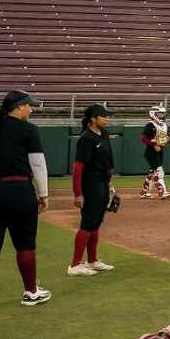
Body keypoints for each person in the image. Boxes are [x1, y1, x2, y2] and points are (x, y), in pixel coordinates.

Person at [0, 91, 52, 313]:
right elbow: (37, 164)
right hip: (18, 191)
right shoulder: (29, 130)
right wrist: (43, 194)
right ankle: (31, 292)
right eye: (29, 106)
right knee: (25, 243)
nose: (31, 110)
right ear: (18, 106)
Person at [69, 104, 118, 276]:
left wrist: (110, 184)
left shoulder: (103, 134)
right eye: (104, 116)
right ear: (93, 119)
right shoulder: (86, 138)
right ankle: (74, 264)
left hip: (102, 183)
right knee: (88, 223)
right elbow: (77, 168)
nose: (107, 118)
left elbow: (108, 161)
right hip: (90, 184)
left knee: (96, 222)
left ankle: (92, 261)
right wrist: (78, 193)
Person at [139, 106, 170, 200]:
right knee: (159, 172)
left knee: (152, 173)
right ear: (153, 114)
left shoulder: (164, 125)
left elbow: (166, 137)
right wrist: (154, 145)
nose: (162, 115)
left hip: (160, 151)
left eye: (163, 114)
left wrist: (167, 140)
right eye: (160, 113)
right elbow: (143, 138)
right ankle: (163, 191)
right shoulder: (150, 124)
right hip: (151, 152)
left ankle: (144, 192)